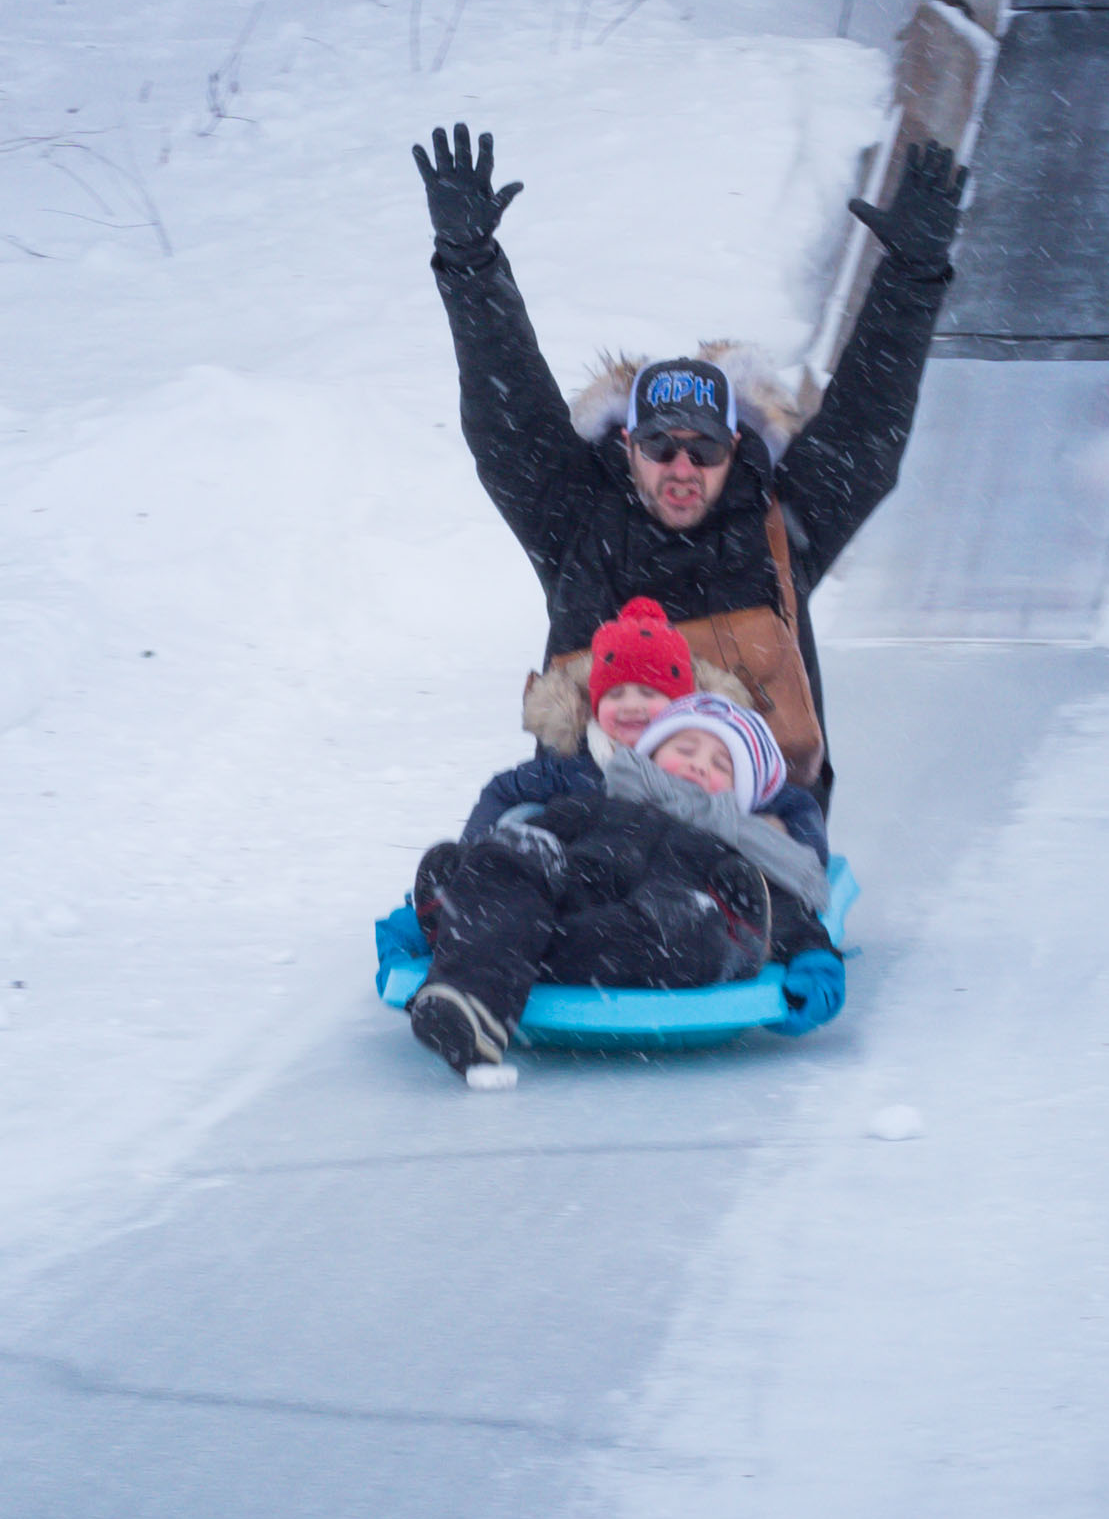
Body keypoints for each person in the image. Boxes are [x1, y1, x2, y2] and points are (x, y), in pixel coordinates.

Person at [411, 118, 964, 800]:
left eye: (702, 448)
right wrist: (470, 263)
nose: (681, 467)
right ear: (626, 445)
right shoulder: (577, 520)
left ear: (734, 448)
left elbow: (866, 427)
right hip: (593, 826)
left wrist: (912, 277)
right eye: (659, 446)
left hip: (750, 835)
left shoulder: (779, 522)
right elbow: (510, 420)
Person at [402, 629, 834, 1076]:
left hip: (653, 927)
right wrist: (482, 874)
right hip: (573, 900)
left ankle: (482, 945)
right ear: (648, 757)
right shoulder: (600, 802)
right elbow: (523, 849)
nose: (699, 764)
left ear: (741, 791)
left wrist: (813, 956)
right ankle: (473, 1002)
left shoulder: (739, 839)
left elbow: (778, 907)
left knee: (704, 918)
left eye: (721, 764)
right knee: (500, 851)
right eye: (684, 749)